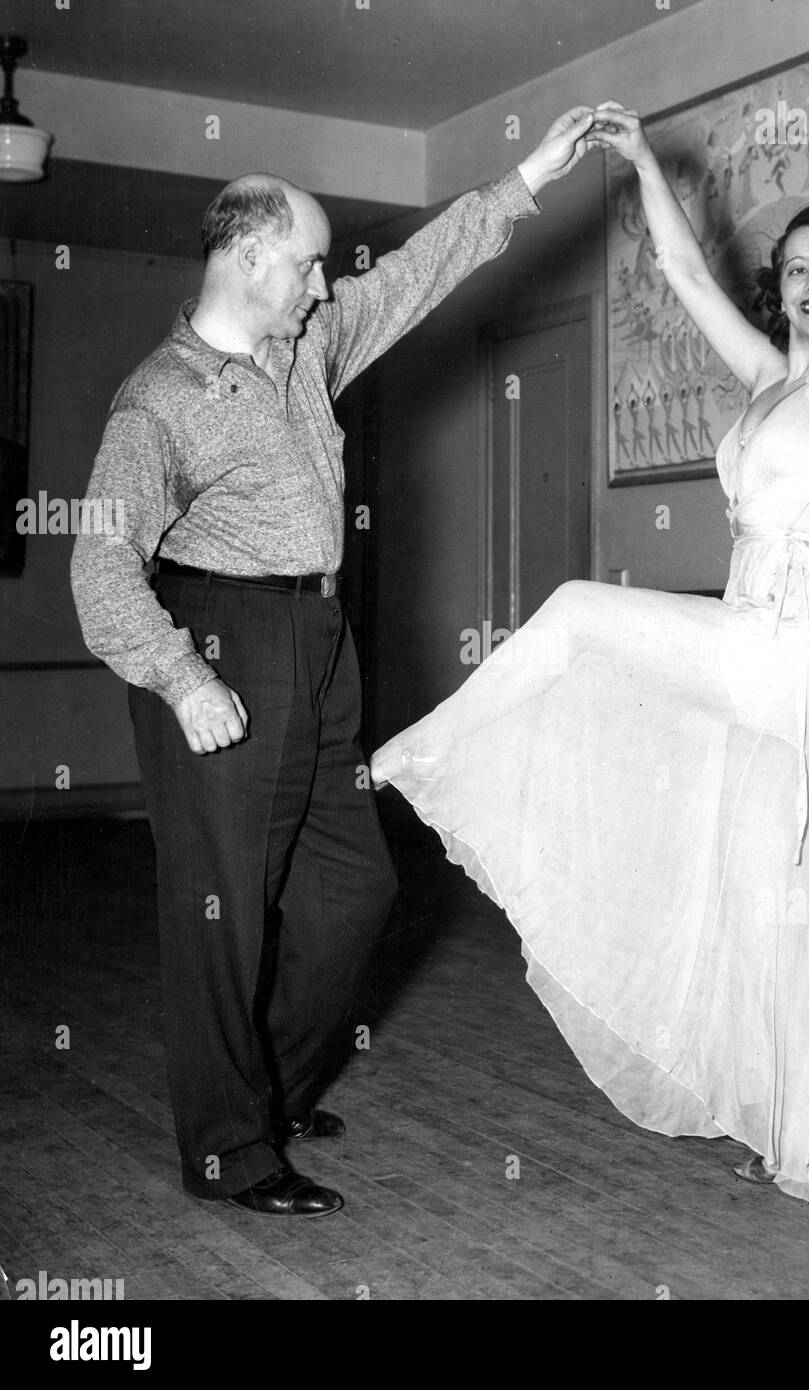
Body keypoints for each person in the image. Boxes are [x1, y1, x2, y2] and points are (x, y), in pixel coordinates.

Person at [371, 102, 809, 1204]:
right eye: (796, 268)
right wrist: (643, 159)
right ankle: (795, 1126)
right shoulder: (767, 380)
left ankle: (422, 753)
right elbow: (680, 269)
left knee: (569, 610)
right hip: (758, 623)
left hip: (804, 647)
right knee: (772, 891)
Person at [70, 106, 598, 1219]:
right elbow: (101, 566)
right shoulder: (155, 402)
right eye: (308, 264)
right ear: (251, 253)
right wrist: (181, 676)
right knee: (224, 911)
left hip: (319, 639)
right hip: (220, 644)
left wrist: (529, 177)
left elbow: (415, 274)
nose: (322, 285)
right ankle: (227, 1148)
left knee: (356, 889)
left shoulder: (304, 347)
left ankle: (262, 1089)